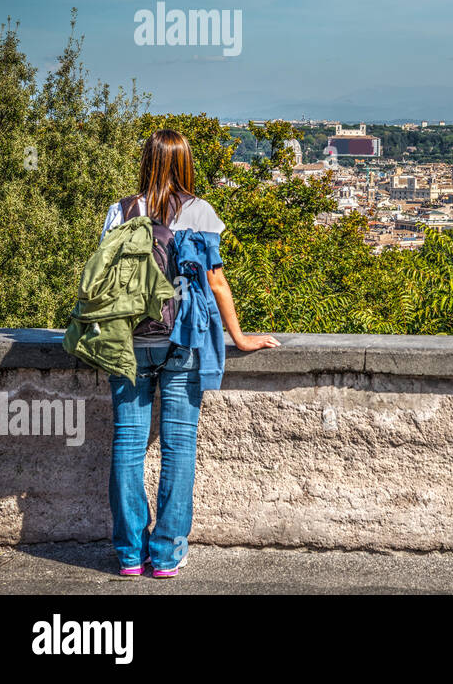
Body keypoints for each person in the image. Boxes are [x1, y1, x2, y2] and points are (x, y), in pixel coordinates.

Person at [100, 129, 279, 578]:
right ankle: (165, 554)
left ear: (145, 162)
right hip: (183, 342)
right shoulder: (200, 212)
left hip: (128, 343)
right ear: (184, 164)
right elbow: (216, 282)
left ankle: (129, 555)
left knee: (127, 446)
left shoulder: (121, 211)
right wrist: (240, 338)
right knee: (179, 447)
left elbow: (103, 278)